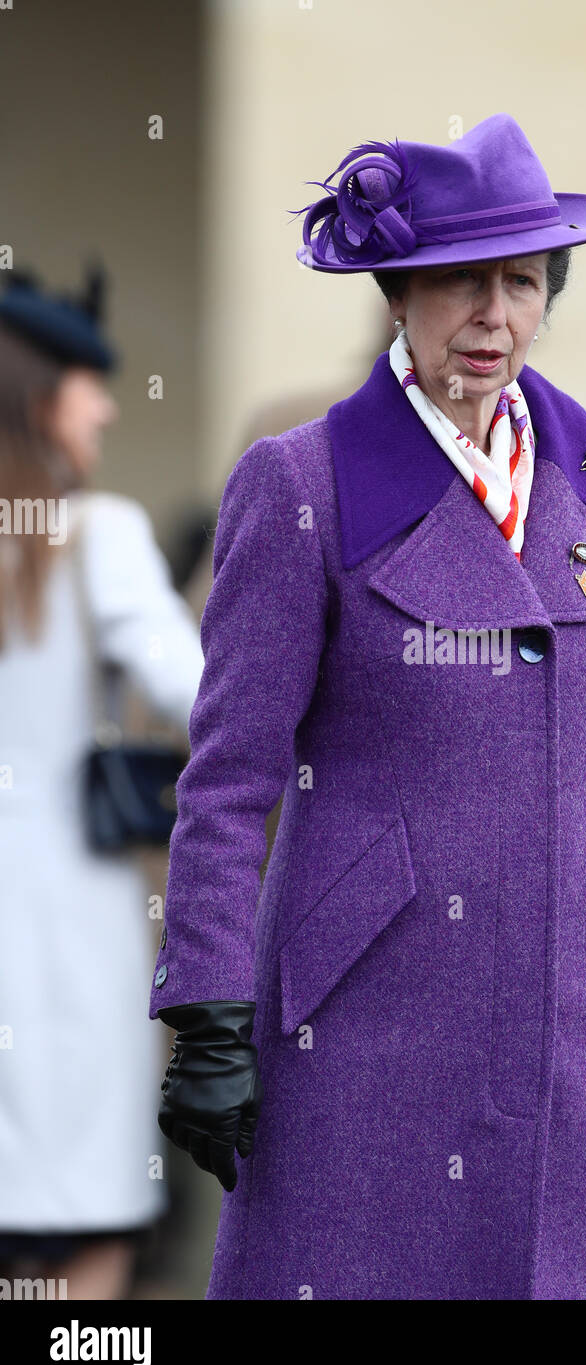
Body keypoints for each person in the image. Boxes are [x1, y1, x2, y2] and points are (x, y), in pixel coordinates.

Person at [149, 113, 586, 1301]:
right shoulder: (299, 481)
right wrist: (206, 1008)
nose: (494, 316)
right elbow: (228, 777)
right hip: (361, 1016)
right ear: (397, 294)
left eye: (521, 282)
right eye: (461, 281)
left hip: (565, 1004)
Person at [0, 264, 205, 1299]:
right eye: (91, 382)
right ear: (40, 394)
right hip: (64, 939)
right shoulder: (101, 537)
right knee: (87, 1229)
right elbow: (206, 697)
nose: (111, 407)